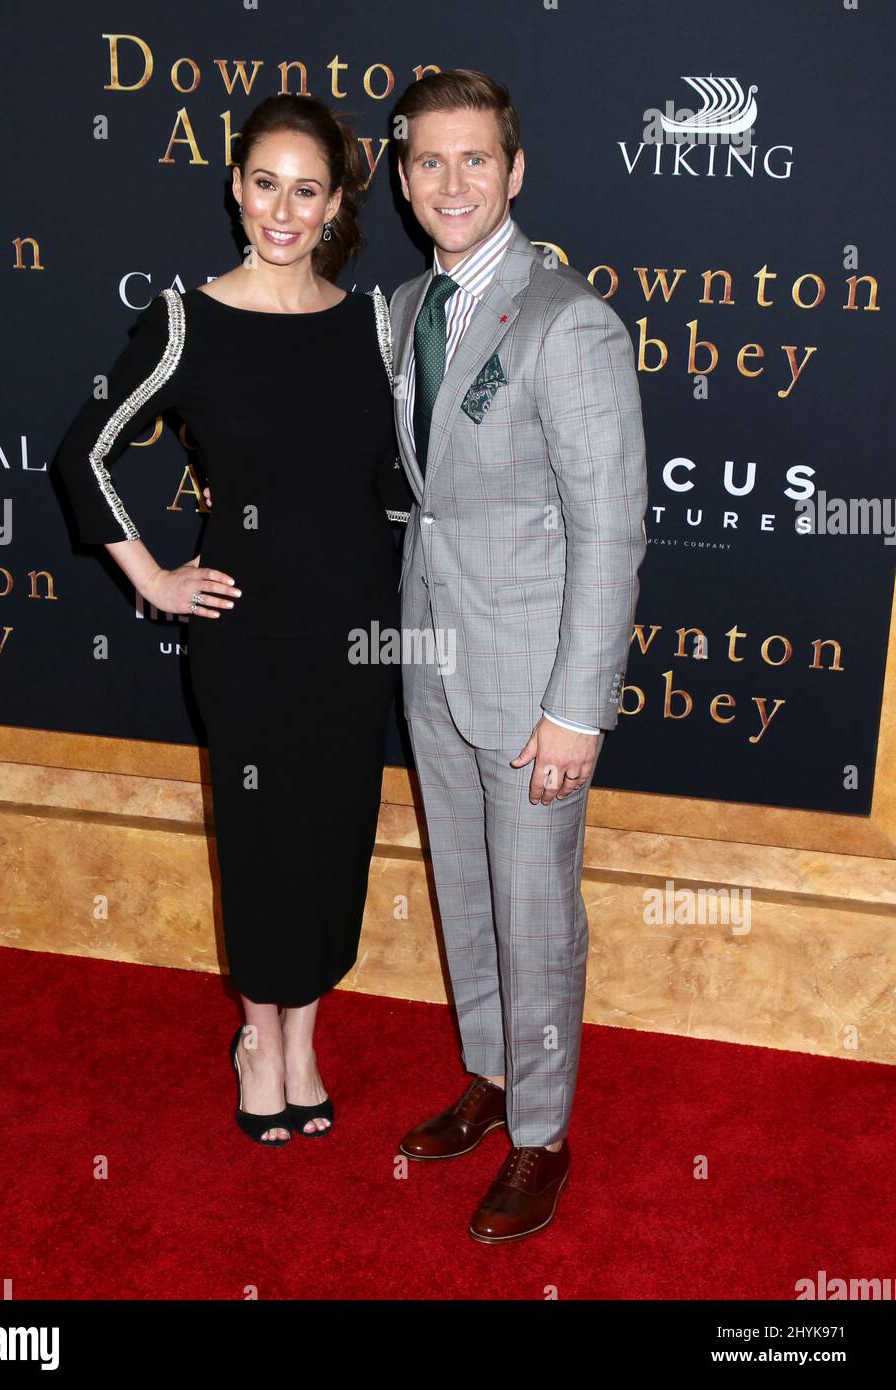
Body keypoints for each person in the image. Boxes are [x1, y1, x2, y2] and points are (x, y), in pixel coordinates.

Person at [53, 94, 413, 1147]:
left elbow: (394, 484)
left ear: (339, 200)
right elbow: (82, 454)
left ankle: (306, 1035)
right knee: (262, 837)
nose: (284, 210)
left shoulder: (372, 326)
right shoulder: (184, 321)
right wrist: (155, 580)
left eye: (308, 190)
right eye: (266, 184)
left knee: (336, 834)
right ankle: (260, 1039)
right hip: (247, 634)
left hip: (356, 632)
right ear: (234, 187)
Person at [387, 70, 648, 1241]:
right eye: (429, 161)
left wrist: (575, 712)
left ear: (516, 169)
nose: (452, 182)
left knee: (535, 911)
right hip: (432, 661)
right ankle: (490, 1077)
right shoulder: (402, 311)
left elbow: (609, 529)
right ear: (401, 177)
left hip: (535, 684)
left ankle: (541, 1136)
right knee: (467, 893)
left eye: (475, 159)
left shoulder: (566, 319)